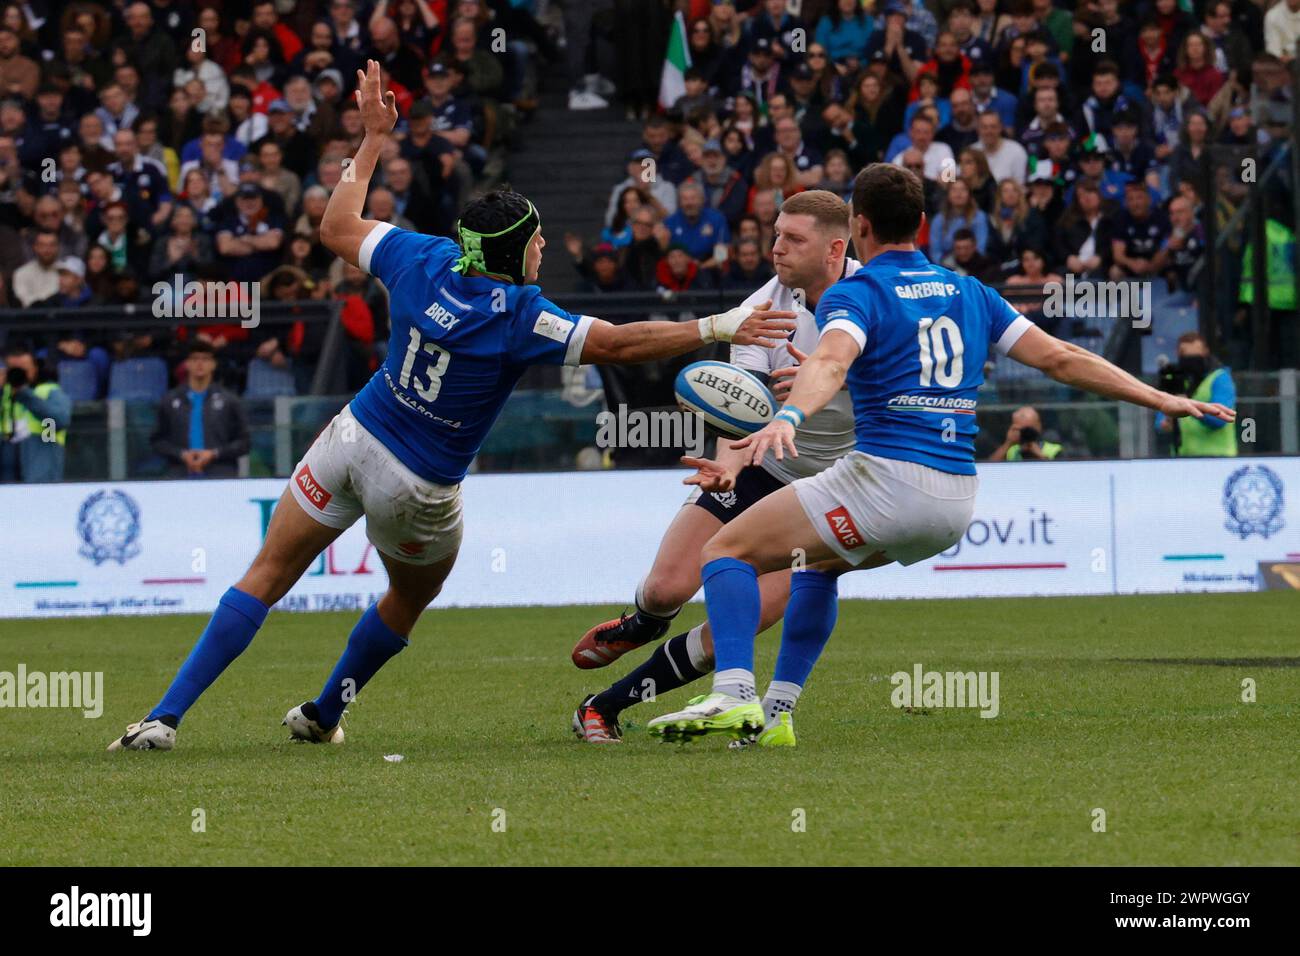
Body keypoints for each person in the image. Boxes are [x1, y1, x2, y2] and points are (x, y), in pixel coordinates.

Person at [107, 62, 797, 753]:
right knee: (406, 601)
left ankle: (163, 717)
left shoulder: (422, 257)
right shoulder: (522, 315)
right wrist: (714, 327)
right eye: (536, 239)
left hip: (351, 438)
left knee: (264, 575)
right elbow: (619, 344)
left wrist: (375, 137)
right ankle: (323, 711)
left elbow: (334, 224)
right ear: (512, 250)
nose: (545, 246)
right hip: (419, 486)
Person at [644, 163, 1233, 743]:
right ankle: (778, 714)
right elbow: (1061, 358)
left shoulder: (857, 291)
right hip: (954, 502)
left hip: (885, 483)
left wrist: (792, 414)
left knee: (726, 549)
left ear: (859, 225)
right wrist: (1156, 396)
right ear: (923, 223)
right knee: (817, 567)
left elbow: (829, 360)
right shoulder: (970, 291)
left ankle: (735, 695)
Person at [571, 191, 860, 746]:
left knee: (742, 621)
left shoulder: (871, 299)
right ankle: (642, 622)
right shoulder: (763, 311)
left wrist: (839, 378)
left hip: (826, 486)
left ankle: (605, 707)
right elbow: (738, 406)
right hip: (758, 467)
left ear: (835, 248)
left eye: (793, 239)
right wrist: (727, 466)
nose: (775, 248)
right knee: (664, 588)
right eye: (775, 234)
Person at [151, 341, 251, 479]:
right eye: (195, 359)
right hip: (179, 476)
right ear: (187, 364)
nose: (200, 363)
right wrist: (181, 454)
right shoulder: (169, 400)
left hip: (221, 476)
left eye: (205, 359)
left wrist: (214, 453)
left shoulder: (230, 400)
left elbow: (244, 442)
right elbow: (157, 441)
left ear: (213, 364)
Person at [1155, 332, 1237, 457]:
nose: (1191, 361)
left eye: (1195, 356)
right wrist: (1165, 423)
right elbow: (1160, 419)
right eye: (1186, 356)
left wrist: (1188, 406)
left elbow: (1219, 419)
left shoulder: (1220, 378)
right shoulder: (1176, 379)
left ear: (1206, 353)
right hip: (1182, 459)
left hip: (1219, 459)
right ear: (1178, 354)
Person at [0, 343, 72, 483]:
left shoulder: (48, 391)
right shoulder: (5, 396)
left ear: (35, 368)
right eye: (12, 370)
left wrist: (25, 395)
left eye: (23, 369)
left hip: (38, 473)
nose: (18, 374)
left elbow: (57, 422)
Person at [989, 405, 1062, 461]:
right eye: (1021, 430)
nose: (1026, 433)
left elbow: (1061, 474)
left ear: (1039, 426)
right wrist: (1008, 443)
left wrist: (1040, 455)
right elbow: (989, 469)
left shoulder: (1055, 450)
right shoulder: (1011, 450)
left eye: (1029, 429)